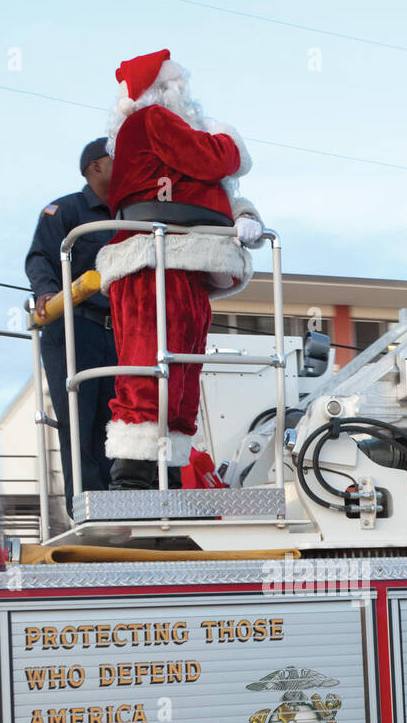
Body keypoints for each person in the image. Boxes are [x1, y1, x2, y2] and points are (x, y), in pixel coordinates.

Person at [94, 50, 264, 490]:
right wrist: (230, 142)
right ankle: (133, 477)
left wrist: (243, 214)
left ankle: (167, 473)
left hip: (185, 264)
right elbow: (211, 159)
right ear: (163, 90)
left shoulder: (162, 137)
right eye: (177, 86)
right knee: (151, 366)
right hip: (156, 260)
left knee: (182, 377)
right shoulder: (152, 120)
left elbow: (211, 188)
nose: (185, 96)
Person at [24, 140, 117, 515]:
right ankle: (88, 509)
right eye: (115, 159)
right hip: (73, 328)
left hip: (118, 332)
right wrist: (47, 291)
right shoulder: (64, 211)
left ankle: (120, 502)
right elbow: (39, 257)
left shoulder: (127, 213)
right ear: (94, 167)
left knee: (117, 420)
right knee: (79, 420)